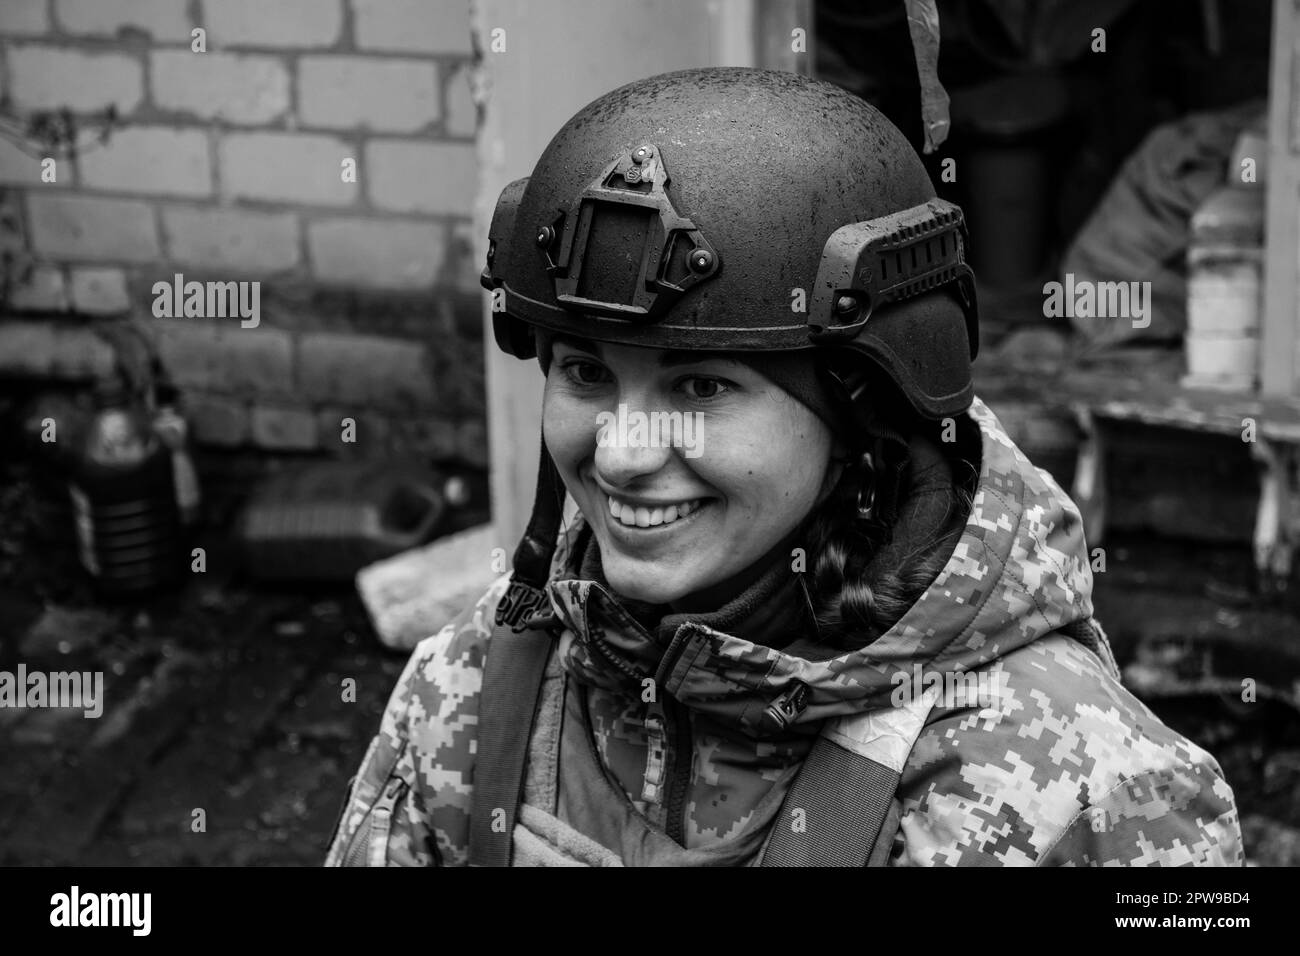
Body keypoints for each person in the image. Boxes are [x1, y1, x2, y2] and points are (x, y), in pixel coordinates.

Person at [325, 67, 1243, 867]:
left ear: (860, 413)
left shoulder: (1081, 792)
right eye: (586, 372)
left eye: (701, 389)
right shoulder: (485, 681)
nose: (620, 453)